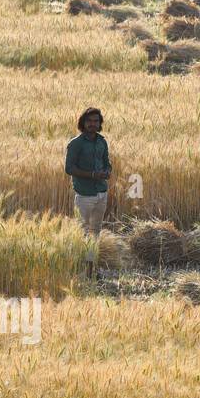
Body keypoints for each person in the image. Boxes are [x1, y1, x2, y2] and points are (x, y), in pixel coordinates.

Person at [65, 107, 112, 277]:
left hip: (101, 193)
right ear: (83, 123)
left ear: (99, 123)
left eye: (96, 121)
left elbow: (107, 162)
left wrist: (107, 171)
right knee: (81, 233)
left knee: (95, 233)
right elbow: (69, 168)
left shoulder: (102, 142)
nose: (93, 124)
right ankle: (76, 270)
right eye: (89, 121)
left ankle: (90, 271)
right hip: (84, 195)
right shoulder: (76, 143)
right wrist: (92, 175)